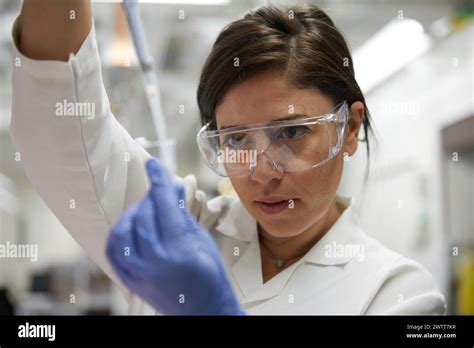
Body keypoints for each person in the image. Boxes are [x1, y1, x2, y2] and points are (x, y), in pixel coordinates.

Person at [11, 1, 446, 315]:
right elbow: (63, 133)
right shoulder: (182, 231)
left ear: (349, 129)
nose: (261, 171)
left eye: (291, 132)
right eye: (237, 140)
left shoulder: (399, 293)